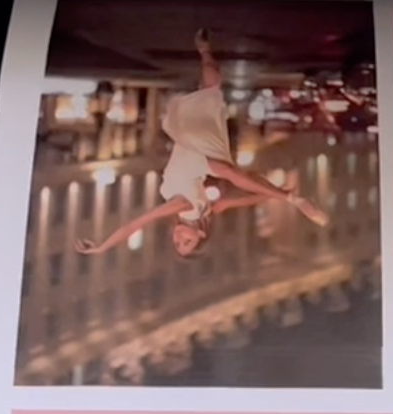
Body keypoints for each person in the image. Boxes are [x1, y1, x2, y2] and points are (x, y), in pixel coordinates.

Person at [80, 29, 329, 258]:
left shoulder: (188, 208)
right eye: (187, 242)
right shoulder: (198, 208)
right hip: (200, 152)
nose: (179, 238)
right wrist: (274, 195)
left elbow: (136, 224)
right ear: (200, 233)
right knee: (214, 104)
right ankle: (204, 49)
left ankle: (204, 49)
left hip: (193, 146)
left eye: (177, 244)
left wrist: (102, 247)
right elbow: (241, 200)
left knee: (211, 94)